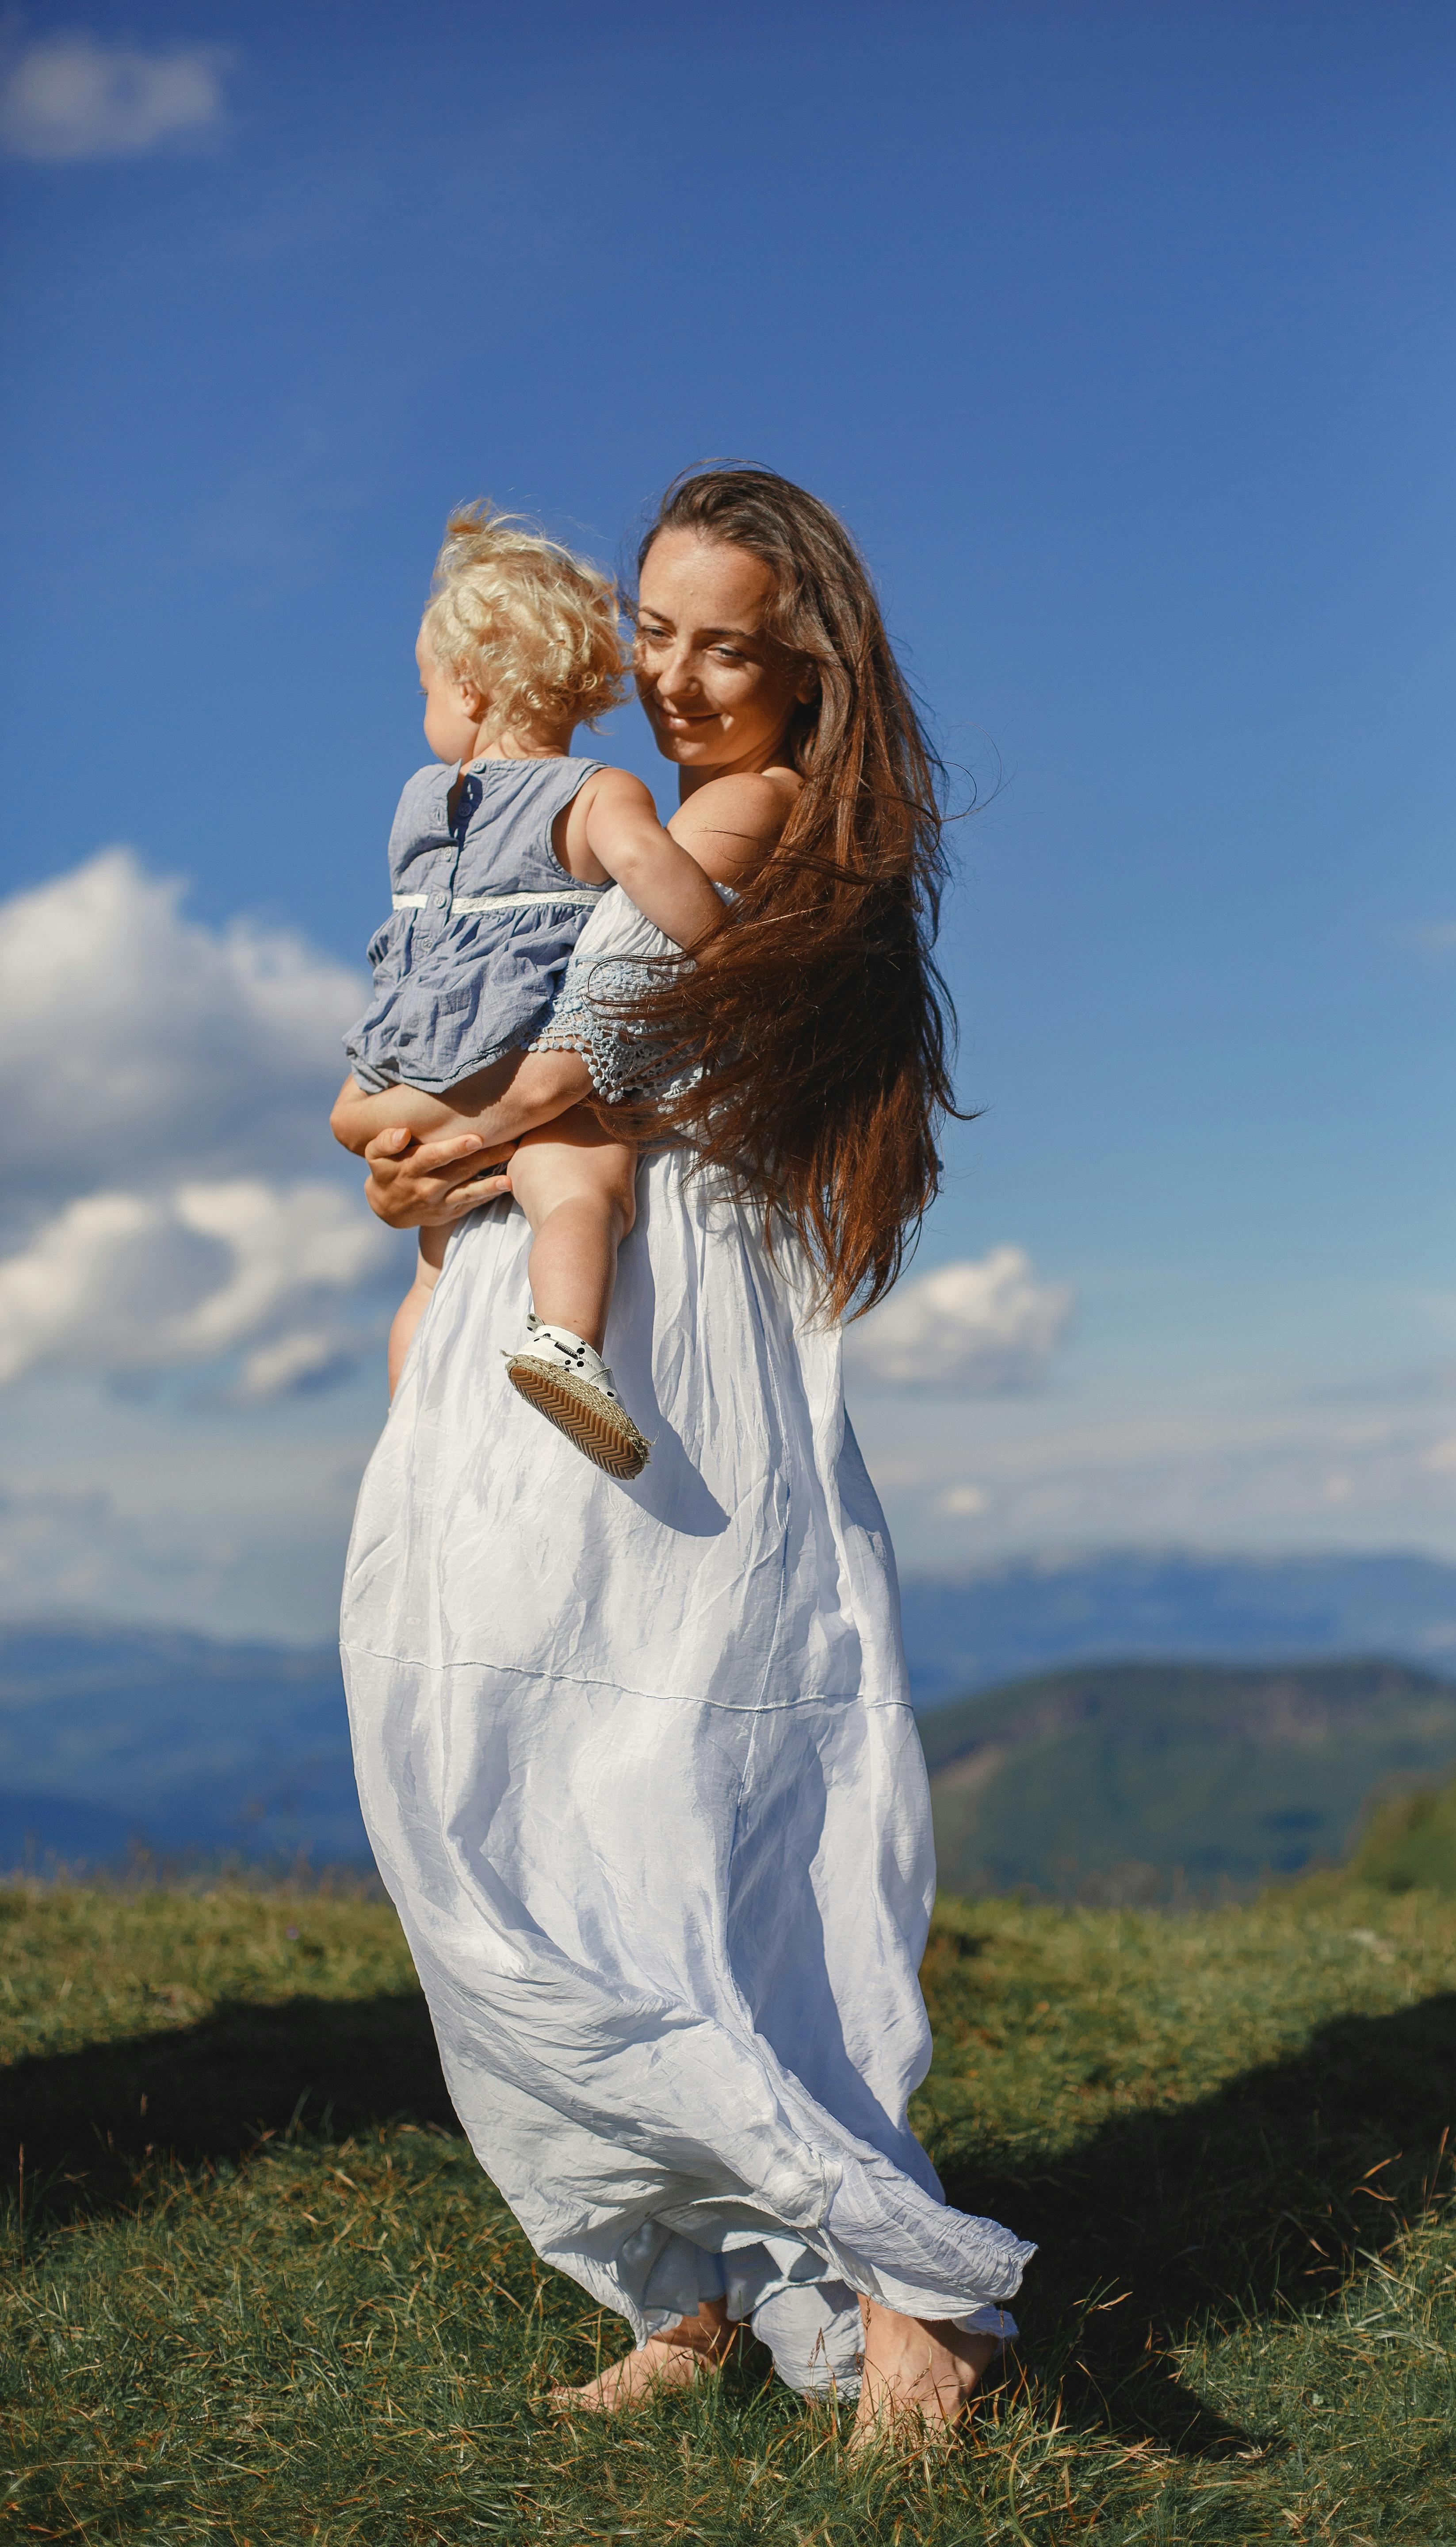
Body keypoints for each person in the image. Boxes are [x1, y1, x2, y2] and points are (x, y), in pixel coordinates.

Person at [341, 468, 1032, 2441]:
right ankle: (690, 2276)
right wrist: (434, 1151)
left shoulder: (754, 819)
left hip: (670, 1327)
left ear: (807, 658)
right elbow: (512, 1055)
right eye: (656, 631)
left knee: (628, 1779)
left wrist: (450, 1138)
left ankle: (866, 2279)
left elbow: (596, 1056)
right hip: (583, 1294)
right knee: (540, 1764)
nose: (677, 676)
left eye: (729, 643)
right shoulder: (648, 818)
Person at [329, 504, 728, 1479]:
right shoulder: (594, 791)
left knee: (430, 1268)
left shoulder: (423, 802)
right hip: (518, 1048)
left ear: (467, 685)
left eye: (423, 686)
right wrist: (727, 955)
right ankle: (562, 1340)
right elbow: (648, 870)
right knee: (580, 1192)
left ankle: (409, 1433)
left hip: (400, 1057)